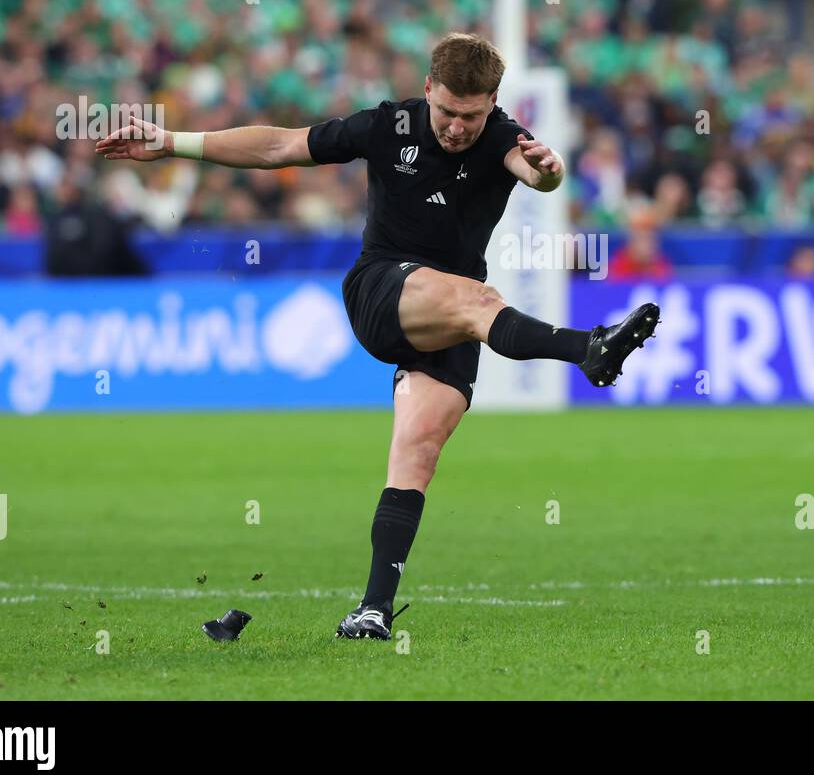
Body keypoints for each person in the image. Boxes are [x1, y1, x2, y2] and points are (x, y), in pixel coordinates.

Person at [96, 33, 658, 640]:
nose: (455, 127)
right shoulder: (387, 126)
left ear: (492, 102)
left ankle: (371, 610)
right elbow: (281, 145)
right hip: (382, 291)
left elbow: (532, 171)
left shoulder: (502, 137)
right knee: (480, 300)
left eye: (471, 115)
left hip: (451, 319)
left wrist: (547, 174)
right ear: (426, 89)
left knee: (416, 454)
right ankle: (588, 349)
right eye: (445, 111)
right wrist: (174, 143)